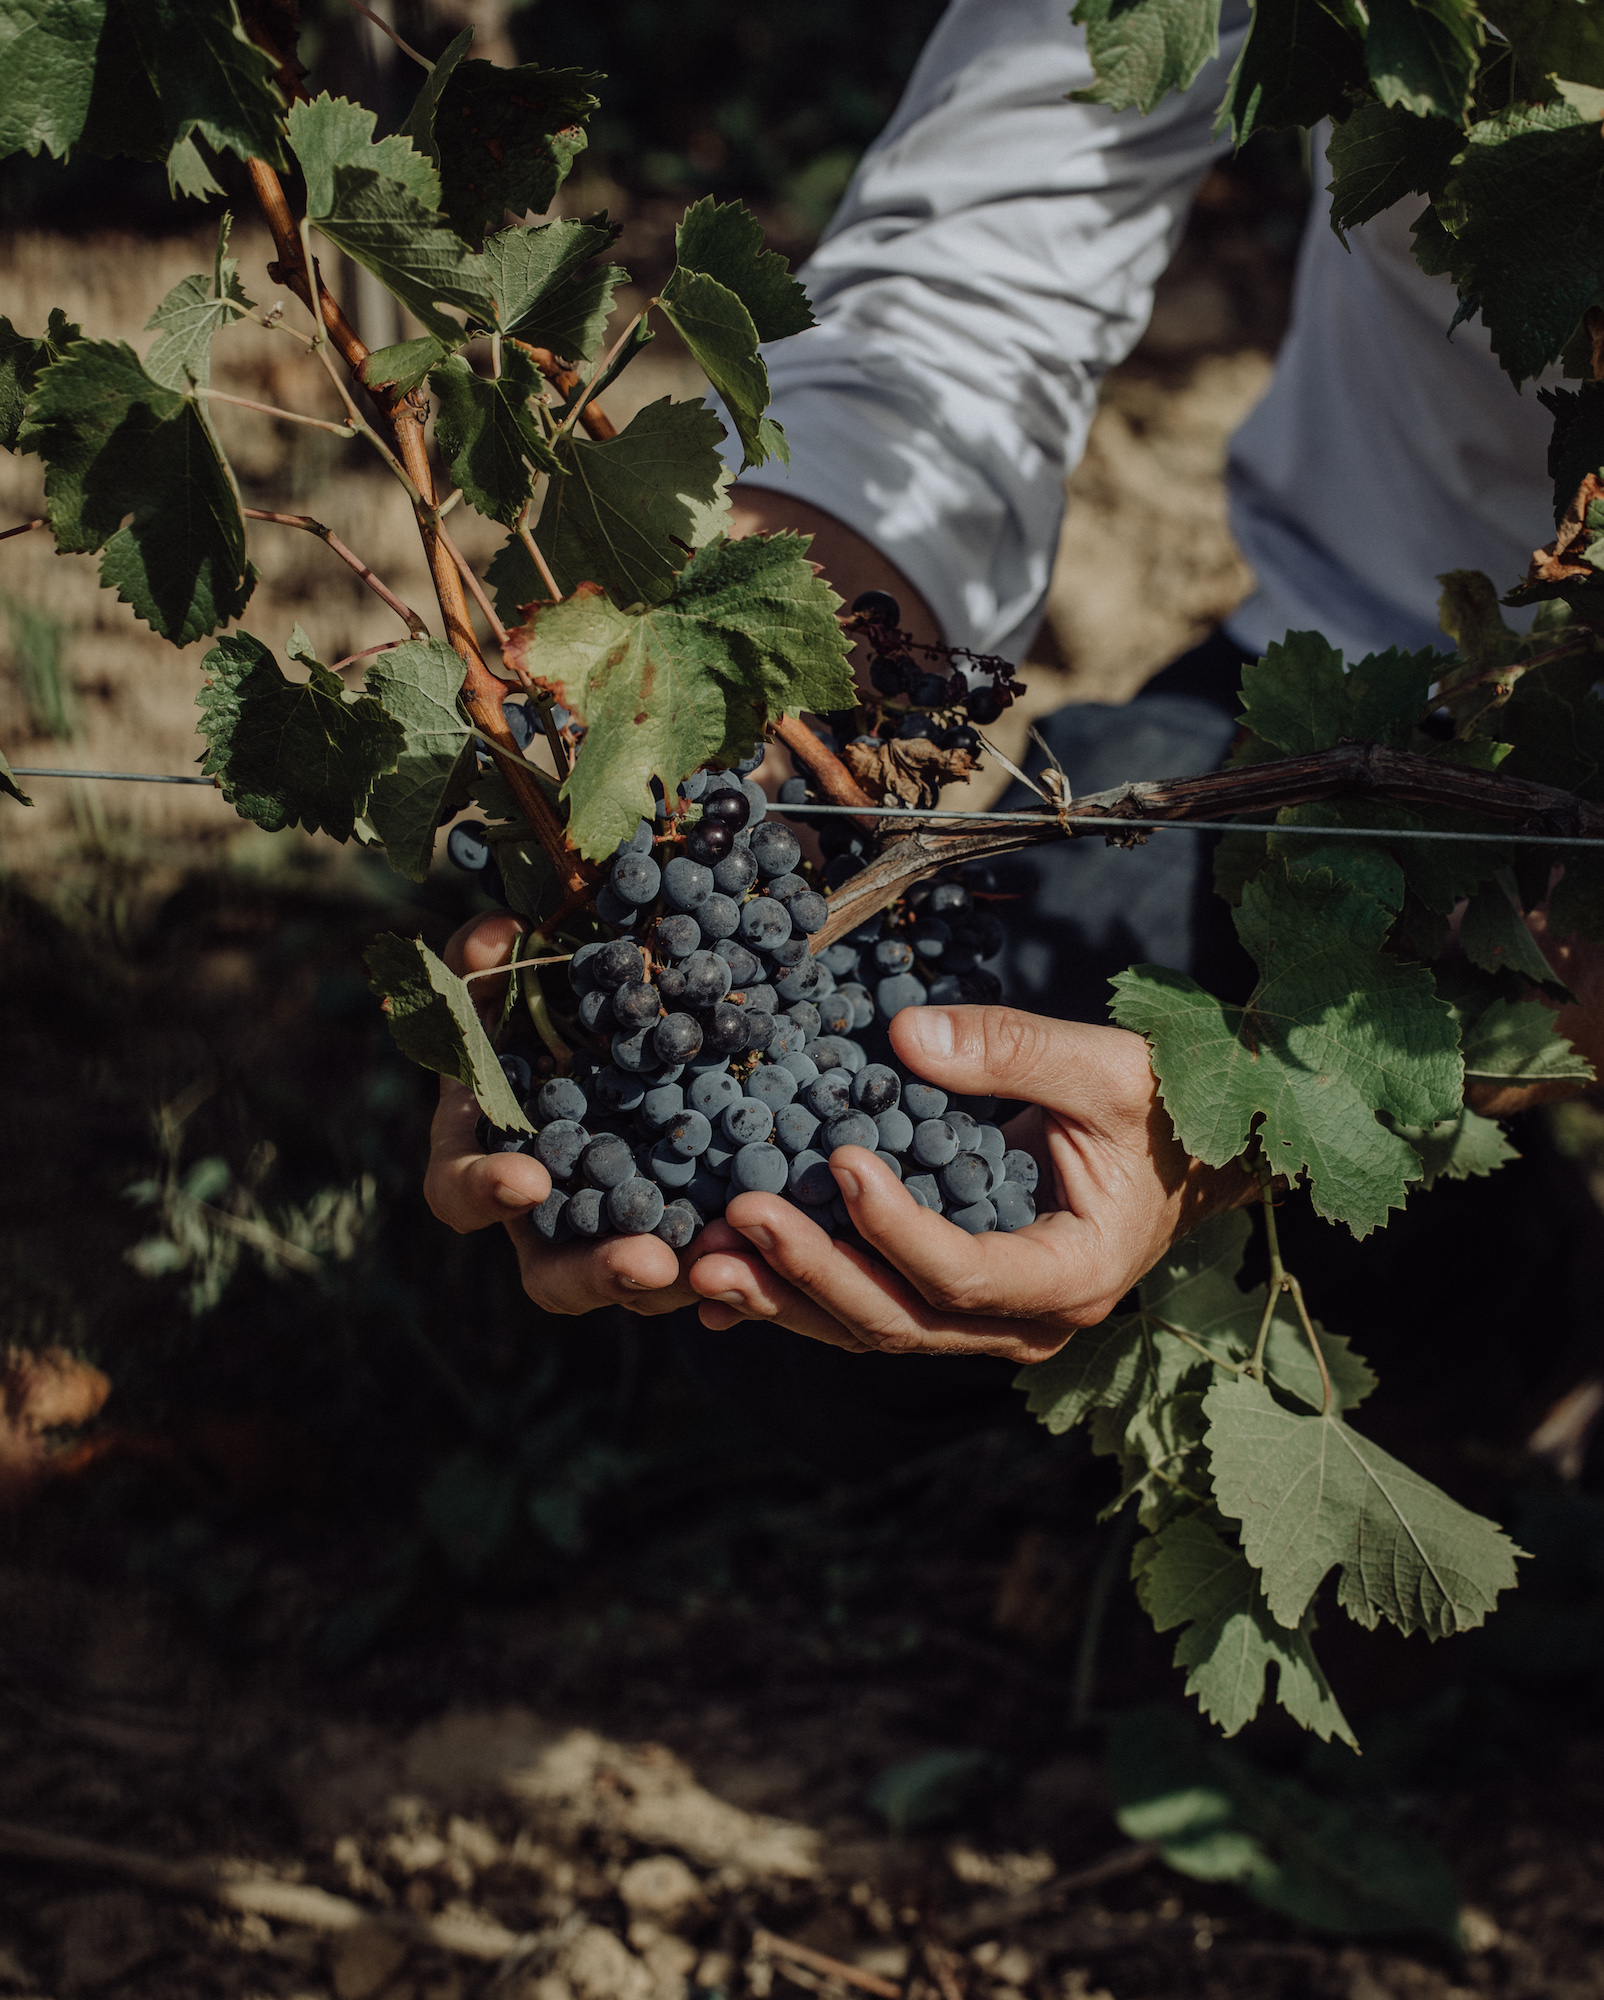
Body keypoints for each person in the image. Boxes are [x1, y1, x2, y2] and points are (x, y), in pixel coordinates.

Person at [425, 0, 1574, 1464]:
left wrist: (1241, 1117)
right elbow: (982, 274)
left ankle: (1463, 1296)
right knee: (804, 1263)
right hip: (1363, 656)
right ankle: (1478, 1296)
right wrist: (747, 667)